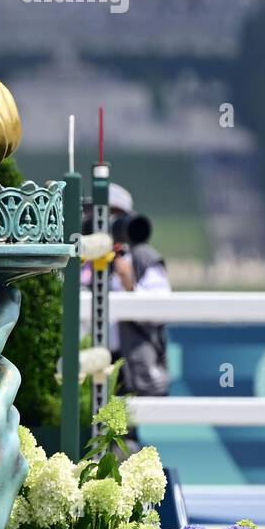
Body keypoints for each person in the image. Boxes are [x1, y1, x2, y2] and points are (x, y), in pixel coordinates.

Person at [84, 182, 171, 449]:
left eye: (113, 214)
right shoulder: (84, 252)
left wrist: (129, 282)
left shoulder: (143, 256)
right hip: (87, 358)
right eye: (99, 213)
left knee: (122, 439)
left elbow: (160, 310)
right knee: (86, 432)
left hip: (127, 363)